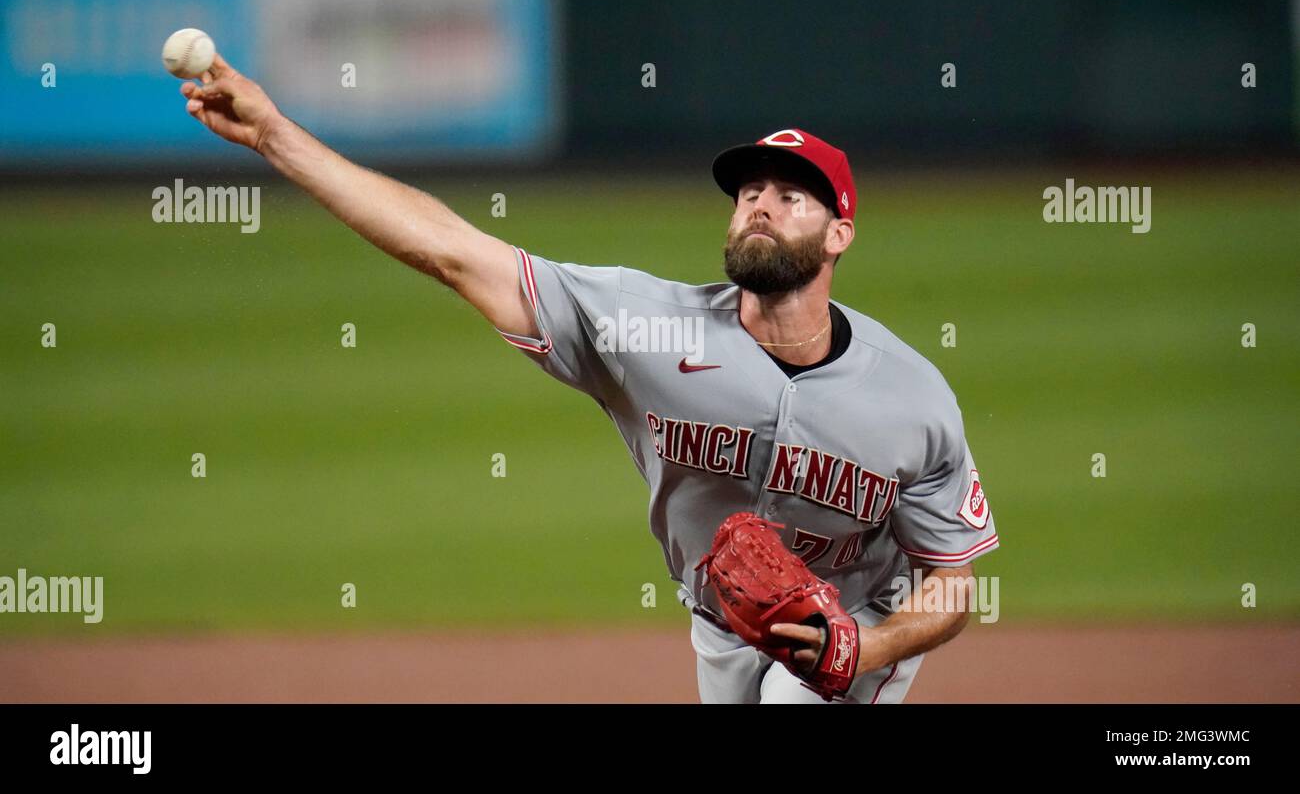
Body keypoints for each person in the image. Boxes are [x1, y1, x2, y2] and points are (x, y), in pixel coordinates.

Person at [180, 55, 1000, 704]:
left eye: (792, 197)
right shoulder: (645, 329)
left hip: (861, 614)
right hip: (722, 621)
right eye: (750, 191)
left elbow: (952, 585)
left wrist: (869, 644)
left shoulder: (912, 398)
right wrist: (275, 136)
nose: (760, 206)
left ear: (839, 235)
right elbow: (454, 251)